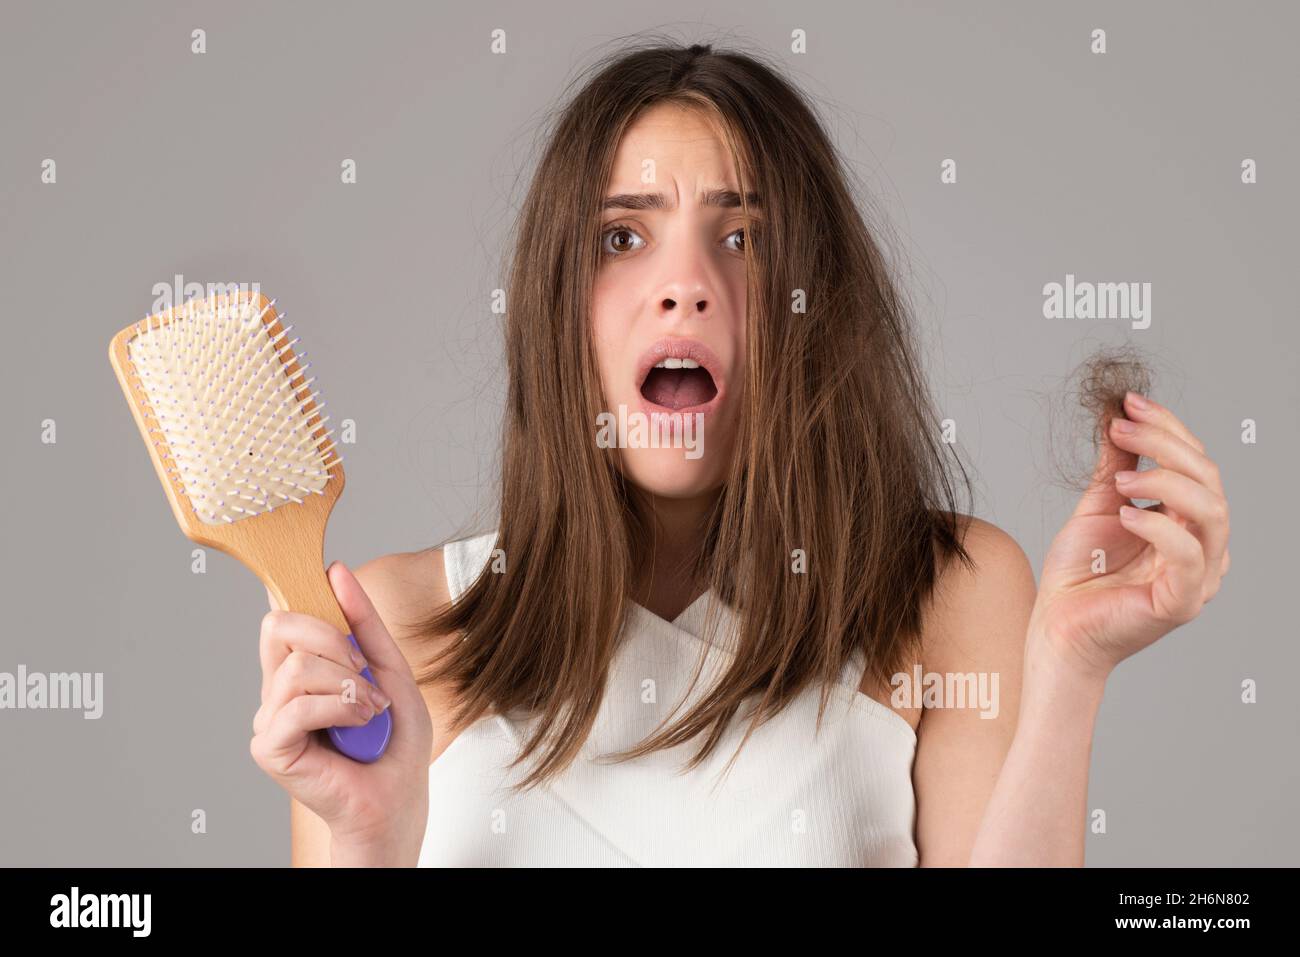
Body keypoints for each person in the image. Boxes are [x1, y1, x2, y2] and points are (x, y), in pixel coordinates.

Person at [249, 41, 1230, 867]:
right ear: (556, 310)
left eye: (744, 236)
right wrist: (368, 842)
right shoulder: (396, 631)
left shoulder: (946, 594)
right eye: (623, 236)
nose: (684, 285)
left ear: (813, 307)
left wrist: (1066, 669)